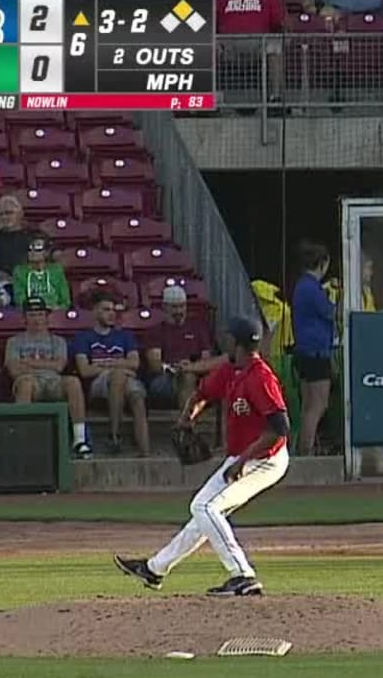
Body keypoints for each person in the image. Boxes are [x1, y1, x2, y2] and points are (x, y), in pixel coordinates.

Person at [114, 316, 291, 597]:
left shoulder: (261, 377)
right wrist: (187, 419)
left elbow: (280, 429)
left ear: (238, 343)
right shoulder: (230, 370)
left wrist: (242, 462)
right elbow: (201, 395)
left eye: (229, 338)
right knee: (202, 515)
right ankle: (155, 569)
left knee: (206, 508)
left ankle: (242, 574)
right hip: (241, 457)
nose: (225, 342)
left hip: (266, 460)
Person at [6, 297, 91, 457]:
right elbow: (14, 369)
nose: (37, 319)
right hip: (30, 381)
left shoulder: (58, 341)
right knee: (25, 383)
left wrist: (28, 362)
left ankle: (80, 439)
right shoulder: (14, 342)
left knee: (73, 382)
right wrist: (47, 363)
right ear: (24, 318)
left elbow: (59, 366)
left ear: (46, 317)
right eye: (32, 315)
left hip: (54, 382)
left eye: (40, 314)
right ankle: (23, 438)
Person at [71, 291, 151, 456]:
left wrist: (104, 363)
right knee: (119, 376)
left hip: (124, 379)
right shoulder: (83, 337)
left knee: (137, 397)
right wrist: (119, 366)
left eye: (114, 310)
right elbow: (85, 370)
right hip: (97, 384)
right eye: (106, 310)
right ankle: (115, 434)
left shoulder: (125, 336)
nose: (112, 314)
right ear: (95, 312)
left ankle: (145, 451)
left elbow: (135, 363)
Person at [289, 242, 335, 456]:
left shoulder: (301, 286)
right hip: (316, 352)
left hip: (304, 352)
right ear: (322, 264)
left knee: (308, 406)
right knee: (318, 405)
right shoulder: (312, 289)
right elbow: (330, 312)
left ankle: (303, 449)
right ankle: (305, 453)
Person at [143, 285, 218, 409]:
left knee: (190, 376)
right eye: (174, 307)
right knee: (186, 377)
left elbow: (206, 358)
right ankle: (187, 422)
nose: (179, 311)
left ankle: (185, 422)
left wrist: (190, 366)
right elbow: (154, 363)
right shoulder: (156, 331)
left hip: (195, 372)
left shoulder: (198, 328)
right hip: (166, 376)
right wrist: (174, 367)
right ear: (164, 307)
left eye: (182, 306)